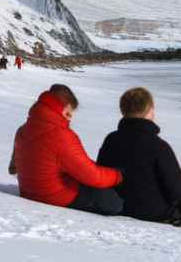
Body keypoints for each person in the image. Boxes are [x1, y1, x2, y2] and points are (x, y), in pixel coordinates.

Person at [97, 87, 181, 230]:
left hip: (115, 206)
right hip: (154, 212)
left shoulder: (110, 140)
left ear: (123, 111)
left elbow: (101, 175)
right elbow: (177, 190)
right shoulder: (158, 146)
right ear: (150, 110)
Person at [9, 84, 123, 215]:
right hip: (55, 195)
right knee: (114, 201)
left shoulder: (22, 130)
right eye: (70, 110)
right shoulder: (60, 136)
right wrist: (117, 175)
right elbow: (91, 175)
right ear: (66, 108)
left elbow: (14, 167)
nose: (70, 116)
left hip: (29, 191)